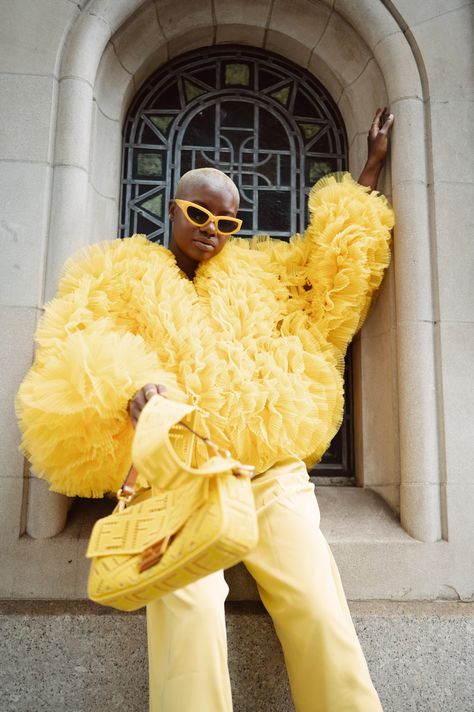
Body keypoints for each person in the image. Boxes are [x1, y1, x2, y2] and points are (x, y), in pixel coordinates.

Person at [16, 107, 395, 711]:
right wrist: (129, 385)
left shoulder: (261, 270)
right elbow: (74, 345)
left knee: (318, 603)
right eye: (198, 213)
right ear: (172, 210)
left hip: (269, 470)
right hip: (175, 478)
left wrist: (369, 169)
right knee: (187, 608)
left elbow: (330, 272)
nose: (211, 228)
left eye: (226, 219)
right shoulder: (119, 272)